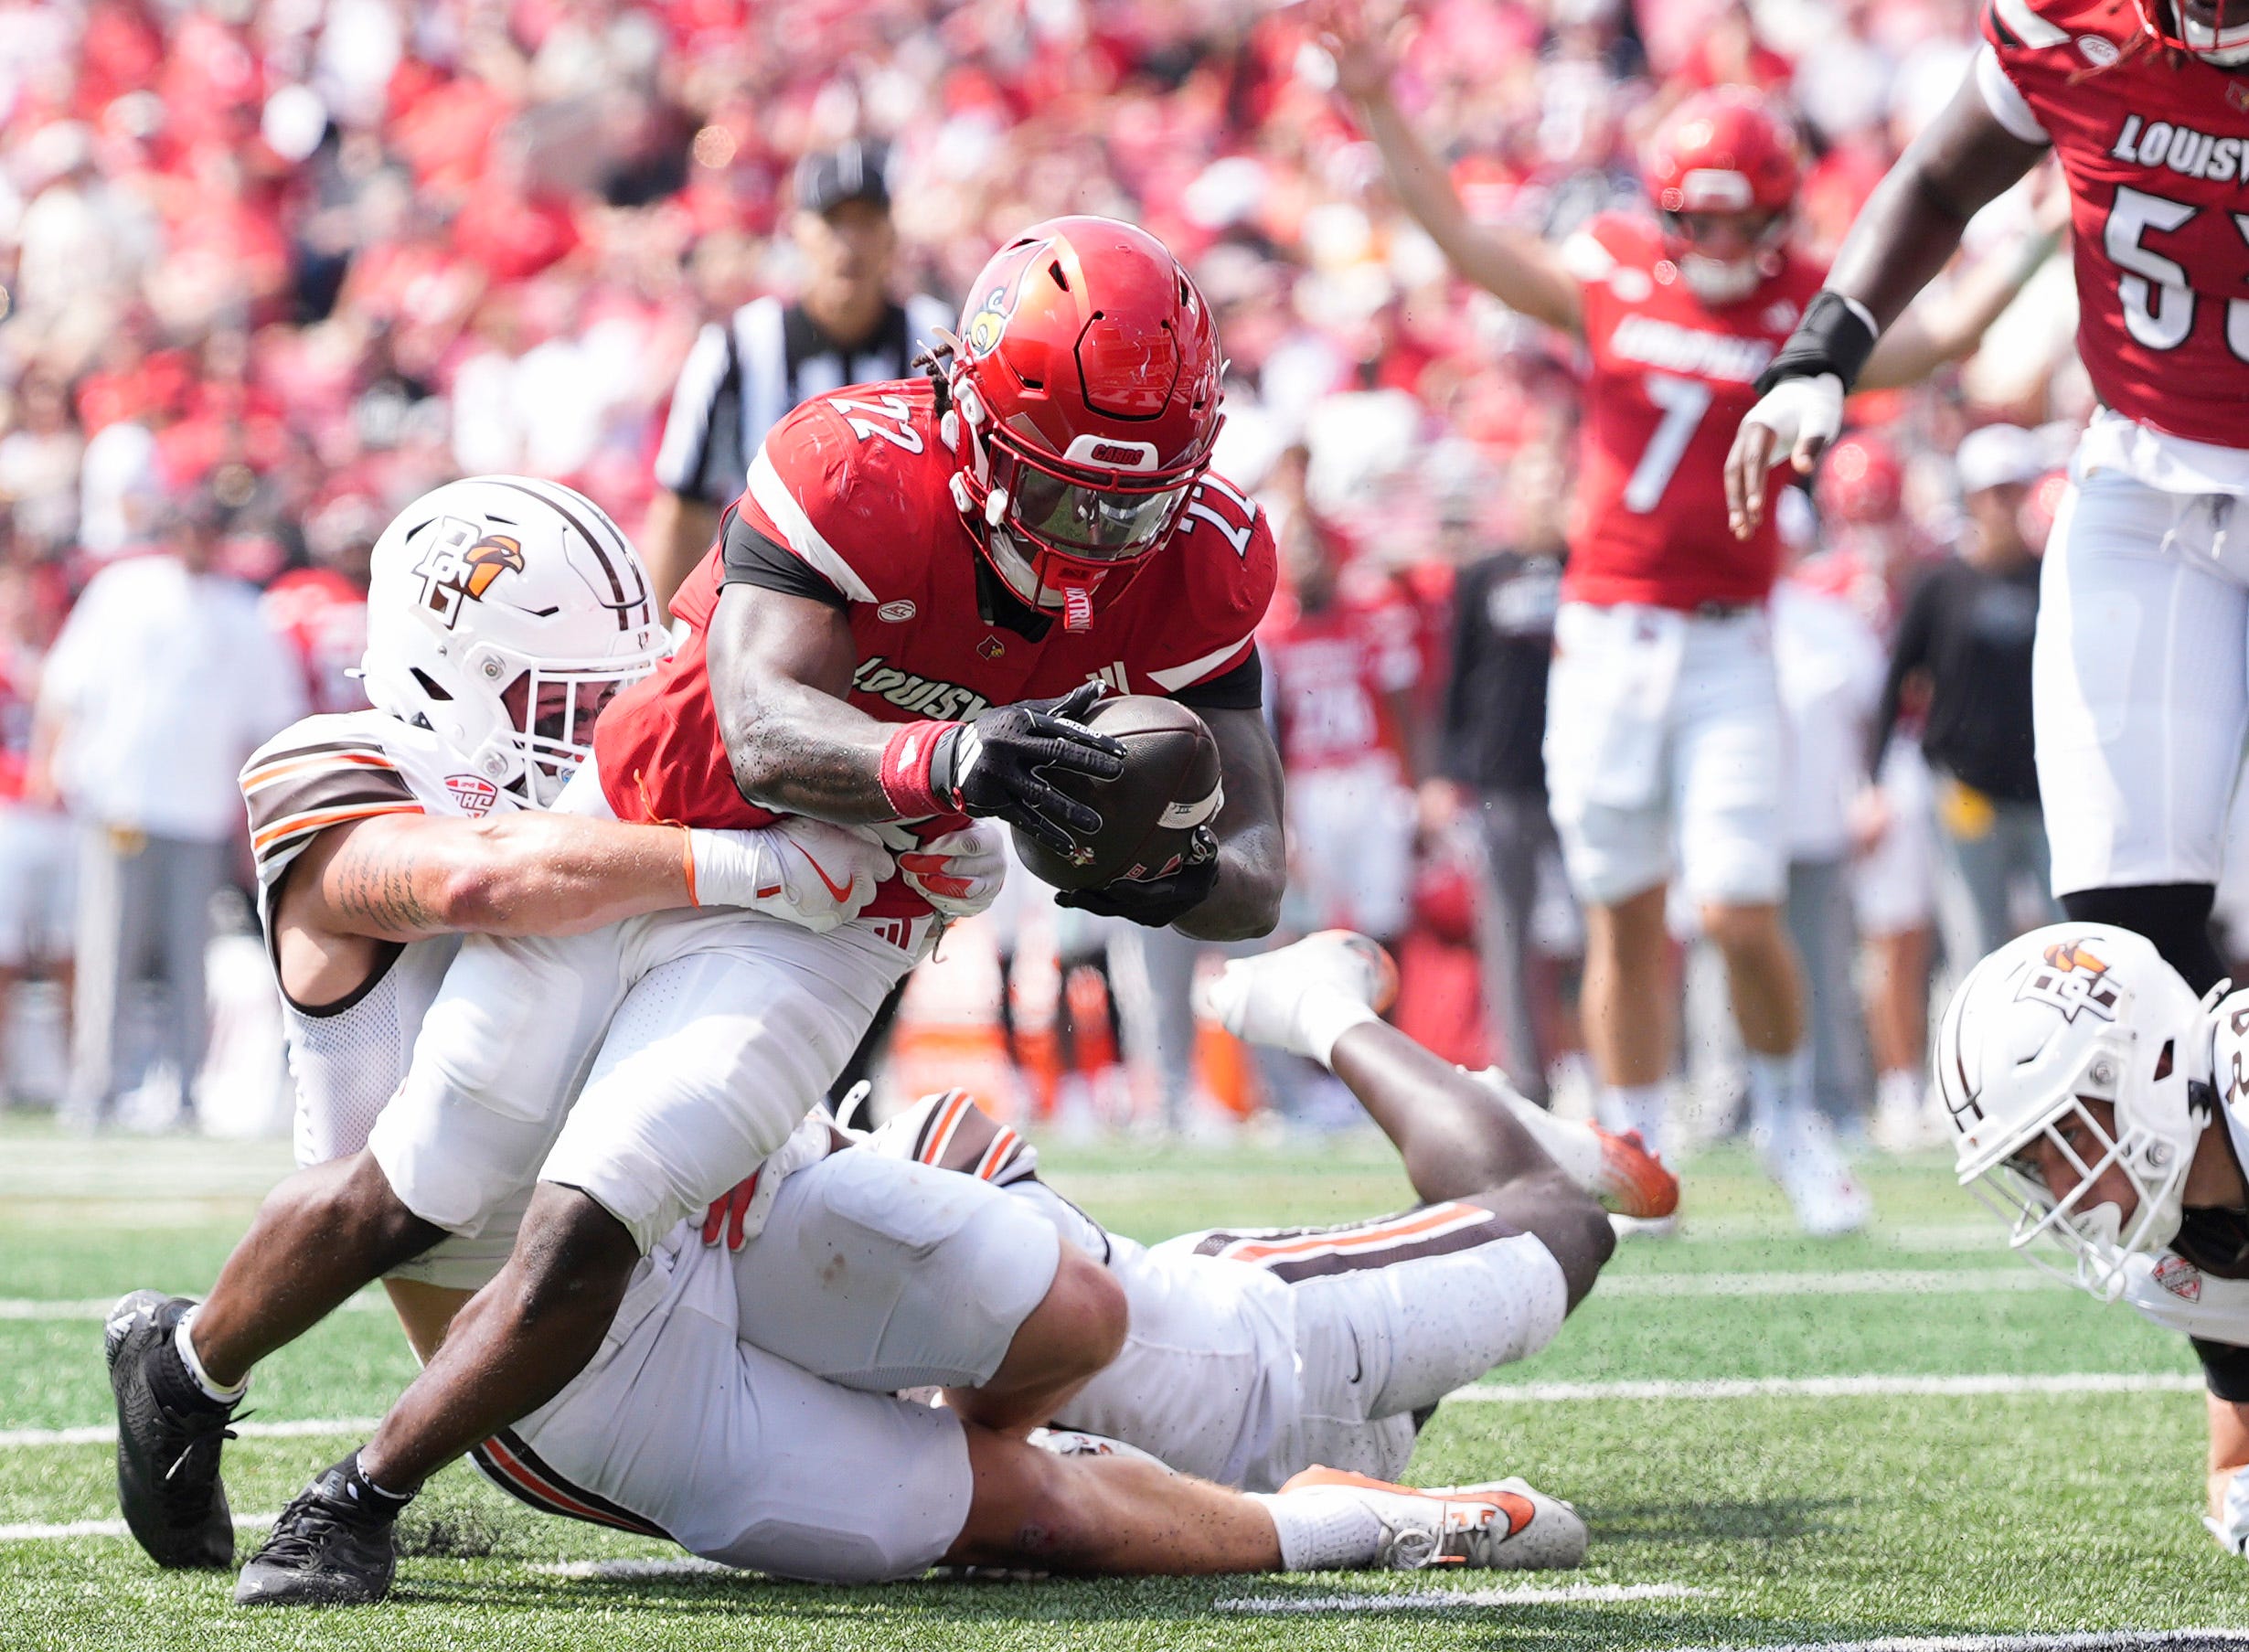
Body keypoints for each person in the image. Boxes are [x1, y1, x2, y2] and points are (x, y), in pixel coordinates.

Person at [224, 217, 1290, 1606]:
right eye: (1064, 494)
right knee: (428, 1167)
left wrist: (1159, 870)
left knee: (597, 1197)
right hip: (655, 818)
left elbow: (1256, 873)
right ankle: (187, 1373)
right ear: (968, 409)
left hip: (841, 906)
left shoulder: (1200, 551)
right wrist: (954, 760)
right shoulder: (850, 463)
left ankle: (351, 1500)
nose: (1096, 539)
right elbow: (764, 727)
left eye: (1133, 505)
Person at [245, 931, 1648, 1588]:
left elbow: (967, 1136)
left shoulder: (872, 1190)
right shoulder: (667, 1332)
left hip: (1257, 1344)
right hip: (1199, 1458)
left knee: (1562, 1220)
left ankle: (1325, 1011)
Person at [101, 474, 910, 1572]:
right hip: (453, 1235)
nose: (588, 735)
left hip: (605, 1186)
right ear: (447, 676)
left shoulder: (571, 791)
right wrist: (754, 867)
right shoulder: (342, 762)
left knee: (946, 1236)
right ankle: (186, 1370)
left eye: (602, 699)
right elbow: (487, 880)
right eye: (555, 702)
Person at [1320, 1, 2042, 1230]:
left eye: (1732, 215)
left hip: (1726, 635)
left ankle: (1791, 1113)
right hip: (1608, 630)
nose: (1710, 236)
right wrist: (1383, 106)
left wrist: (2039, 235)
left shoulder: (1812, 304)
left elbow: (1945, 337)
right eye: (1691, 214)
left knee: (1740, 903)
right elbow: (1461, 239)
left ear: (1777, 212)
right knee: (1622, 905)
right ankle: (1638, 1139)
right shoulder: (1611, 269)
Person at [1723, 0, 2247, 1000]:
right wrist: (1823, 353)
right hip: (2148, 478)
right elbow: (1935, 178)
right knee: (2121, 917)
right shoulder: (2071, 23)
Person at [1935, 921, 2249, 1558]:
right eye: (2031, 1162)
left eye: (2071, 1136)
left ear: (2156, 1064)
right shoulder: (2171, 1259)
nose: (2063, 1188)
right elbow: (2232, 1465)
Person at [33, 493, 304, 1128]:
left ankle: (186, 1088)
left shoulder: (244, 613)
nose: (197, 539)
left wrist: (249, 818)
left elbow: (265, 723)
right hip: (122, 797)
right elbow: (67, 685)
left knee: (189, 956)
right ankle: (96, 1084)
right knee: (110, 947)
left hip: (201, 808)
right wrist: (53, 760)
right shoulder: (122, 591)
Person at [644, 140, 953, 614]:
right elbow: (683, 508)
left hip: (903, 615)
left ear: (892, 234)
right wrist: (664, 642)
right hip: (764, 601)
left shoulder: (939, 344)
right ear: (797, 232)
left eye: (866, 223)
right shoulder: (736, 349)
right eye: (833, 223)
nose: (849, 244)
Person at [1869, 423, 2056, 977]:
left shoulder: (2054, 577)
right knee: (1977, 950)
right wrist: (1875, 781)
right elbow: (1897, 680)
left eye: (2014, 489)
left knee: (2065, 946)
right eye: (1992, 491)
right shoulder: (1941, 584)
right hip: (1966, 792)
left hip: (2047, 796)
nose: (2003, 504)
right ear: (1970, 496)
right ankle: (1966, 1064)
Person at [1435, 442, 1575, 1105]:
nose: (1547, 490)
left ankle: (1604, 1067)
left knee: (1596, 930)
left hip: (1583, 777)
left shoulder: (1591, 568)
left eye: (1557, 477)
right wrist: (1444, 772)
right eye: (1535, 478)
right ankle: (1527, 1080)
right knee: (1508, 938)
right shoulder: (1483, 575)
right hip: (1503, 781)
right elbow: (1456, 679)